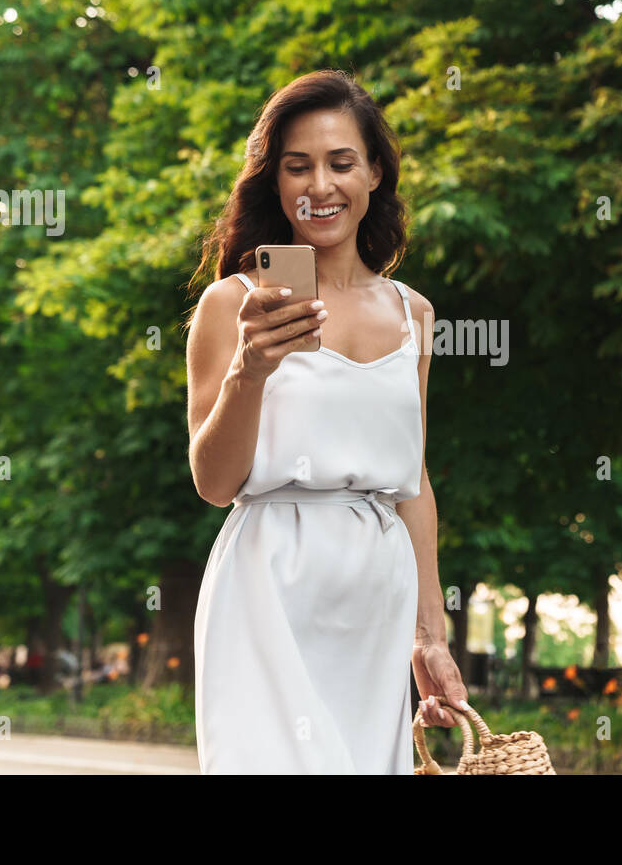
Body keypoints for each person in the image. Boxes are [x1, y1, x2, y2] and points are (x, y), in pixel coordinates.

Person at [186, 69, 468, 773]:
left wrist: (428, 636)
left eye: (341, 163)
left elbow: (414, 482)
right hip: (268, 583)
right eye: (297, 166)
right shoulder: (233, 304)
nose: (320, 186)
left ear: (374, 172)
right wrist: (251, 367)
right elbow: (214, 481)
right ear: (273, 181)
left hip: (375, 595)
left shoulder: (415, 315)